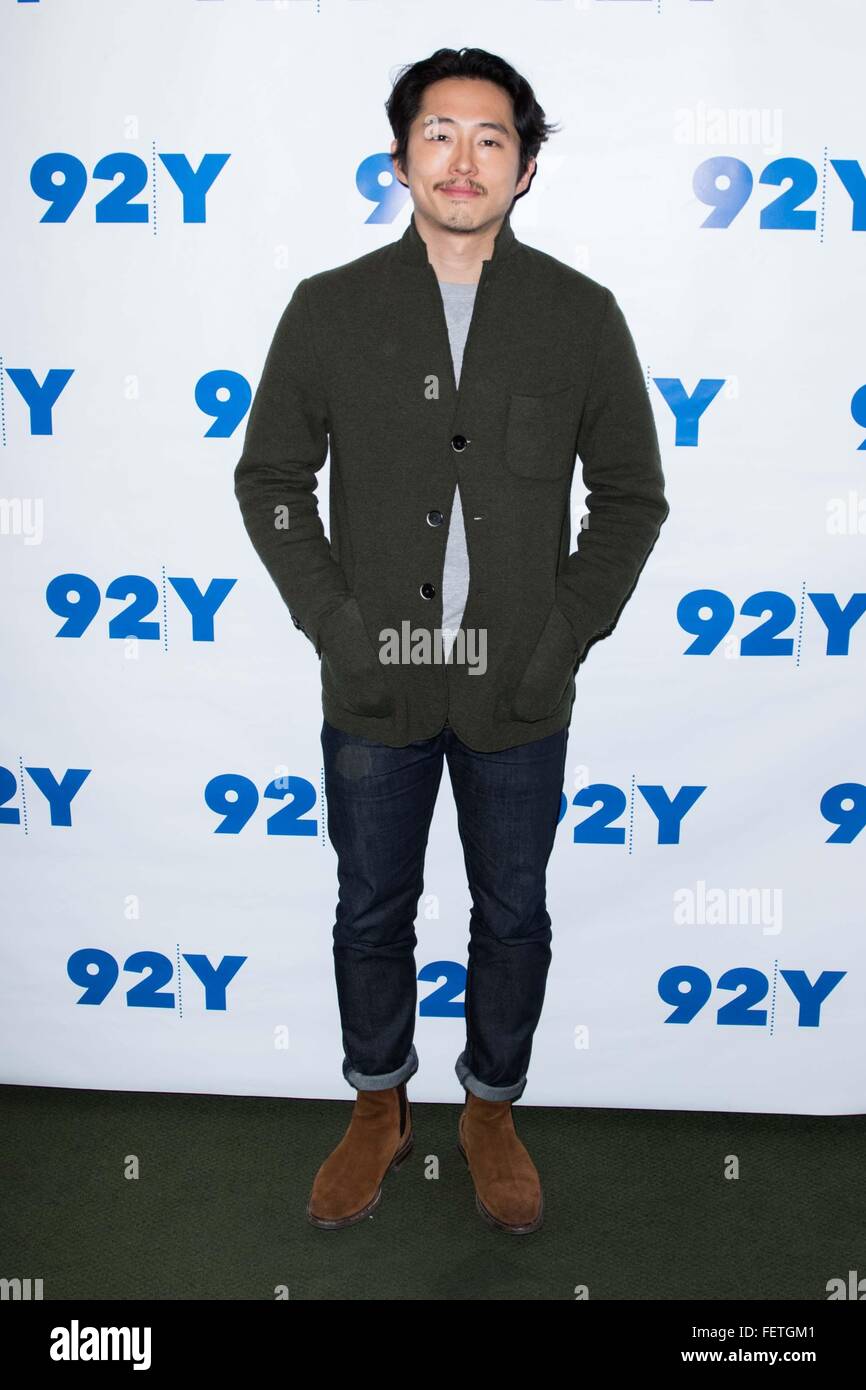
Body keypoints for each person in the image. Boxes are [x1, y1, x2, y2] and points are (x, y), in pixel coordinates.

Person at [233, 46, 670, 1235]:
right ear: (399, 158)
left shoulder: (579, 316)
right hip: (373, 688)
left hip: (516, 694)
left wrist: (559, 640)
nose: (462, 158)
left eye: (489, 138)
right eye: (438, 133)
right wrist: (338, 628)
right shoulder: (330, 308)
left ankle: (488, 1105)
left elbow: (628, 498)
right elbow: (271, 479)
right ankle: (377, 1103)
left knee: (511, 911)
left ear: (524, 166)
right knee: (370, 906)